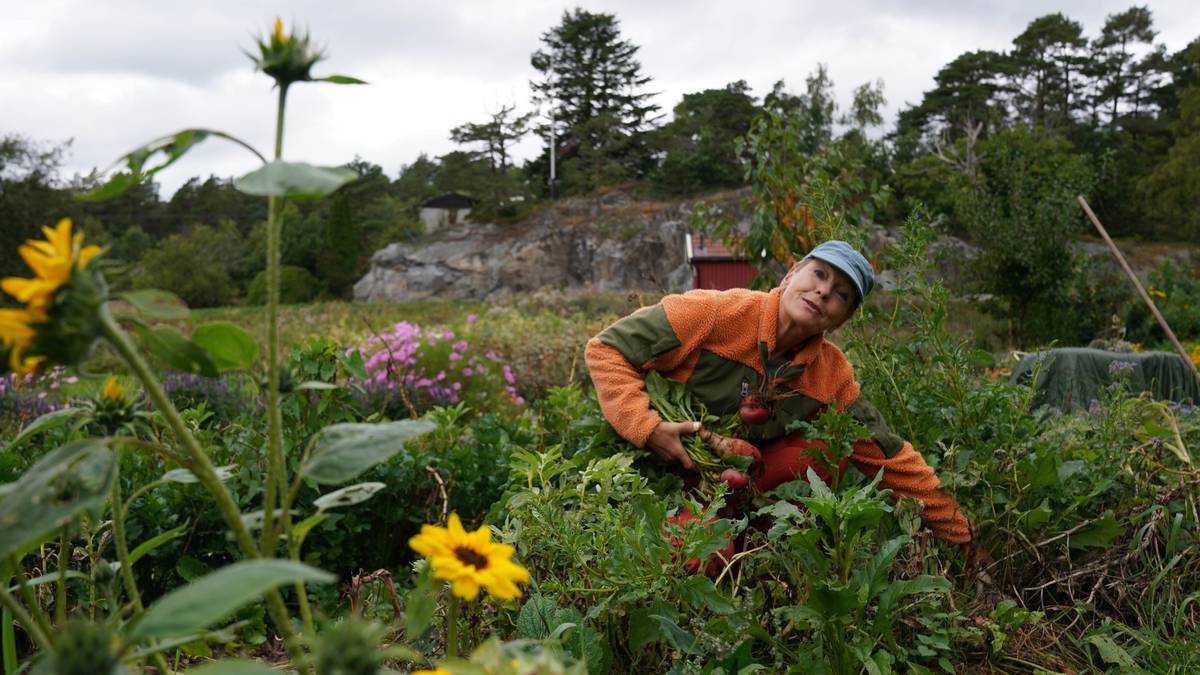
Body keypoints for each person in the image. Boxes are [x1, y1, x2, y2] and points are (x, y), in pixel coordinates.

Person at [584, 240, 971, 545]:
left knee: (828, 451)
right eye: (818, 274)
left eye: (840, 293)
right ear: (790, 275)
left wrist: (962, 535)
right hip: (667, 469)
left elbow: (891, 458)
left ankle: (760, 533)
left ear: (843, 318)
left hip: (738, 477)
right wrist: (647, 428)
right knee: (700, 552)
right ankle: (708, 534)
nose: (823, 292)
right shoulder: (713, 314)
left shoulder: (831, 375)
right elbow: (606, 349)